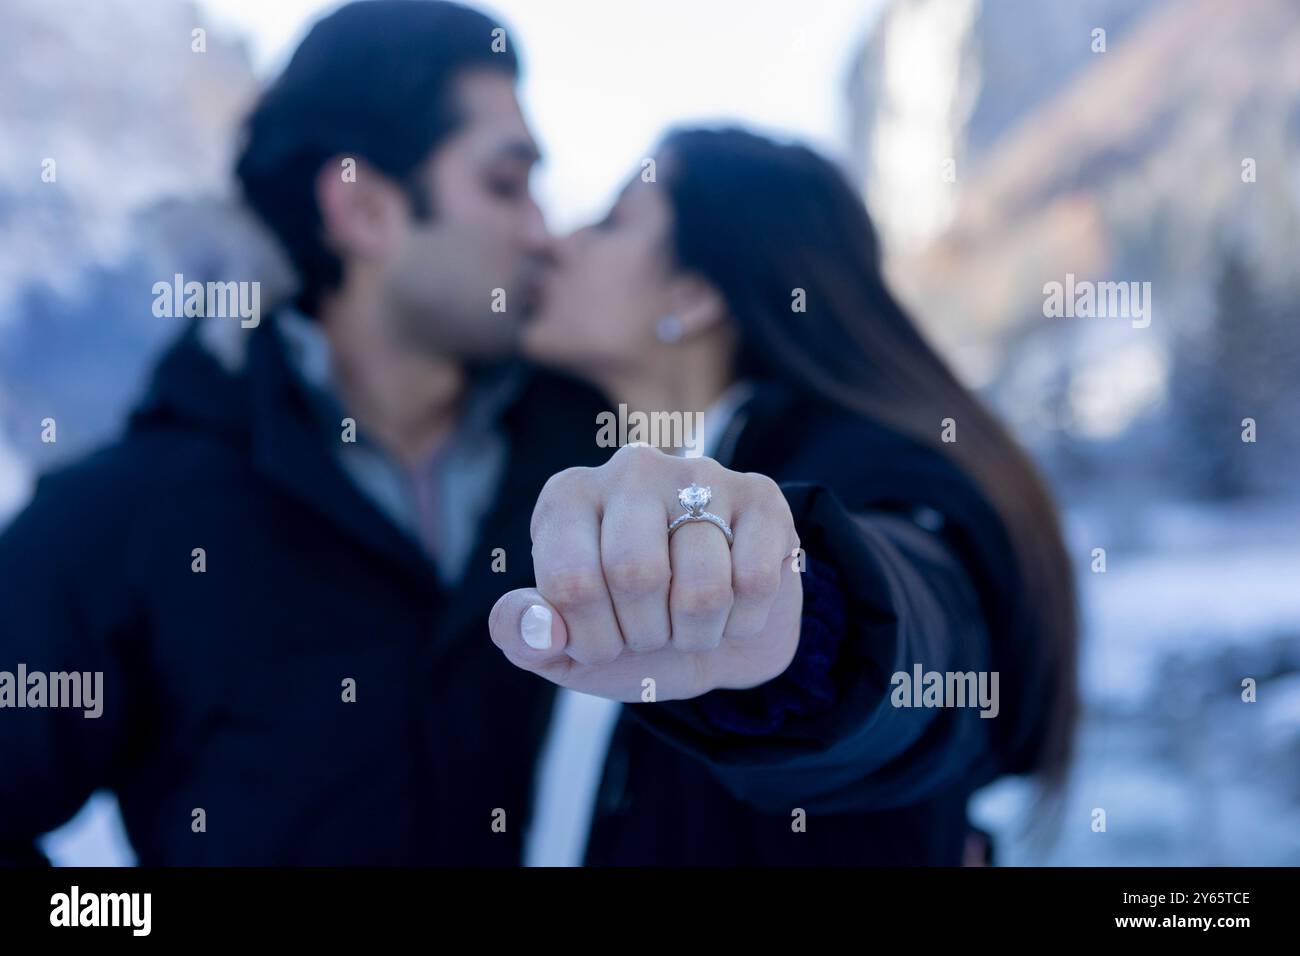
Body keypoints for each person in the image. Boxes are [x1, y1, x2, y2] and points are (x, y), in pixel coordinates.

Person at [0, 0, 615, 865]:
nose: (542, 234)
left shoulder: (604, 468)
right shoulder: (132, 514)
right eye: (505, 185)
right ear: (363, 209)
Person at [491, 127, 1080, 865]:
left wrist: (810, 628)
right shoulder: (571, 472)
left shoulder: (871, 465)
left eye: (611, 223)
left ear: (695, 294)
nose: (559, 242)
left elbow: (927, 625)